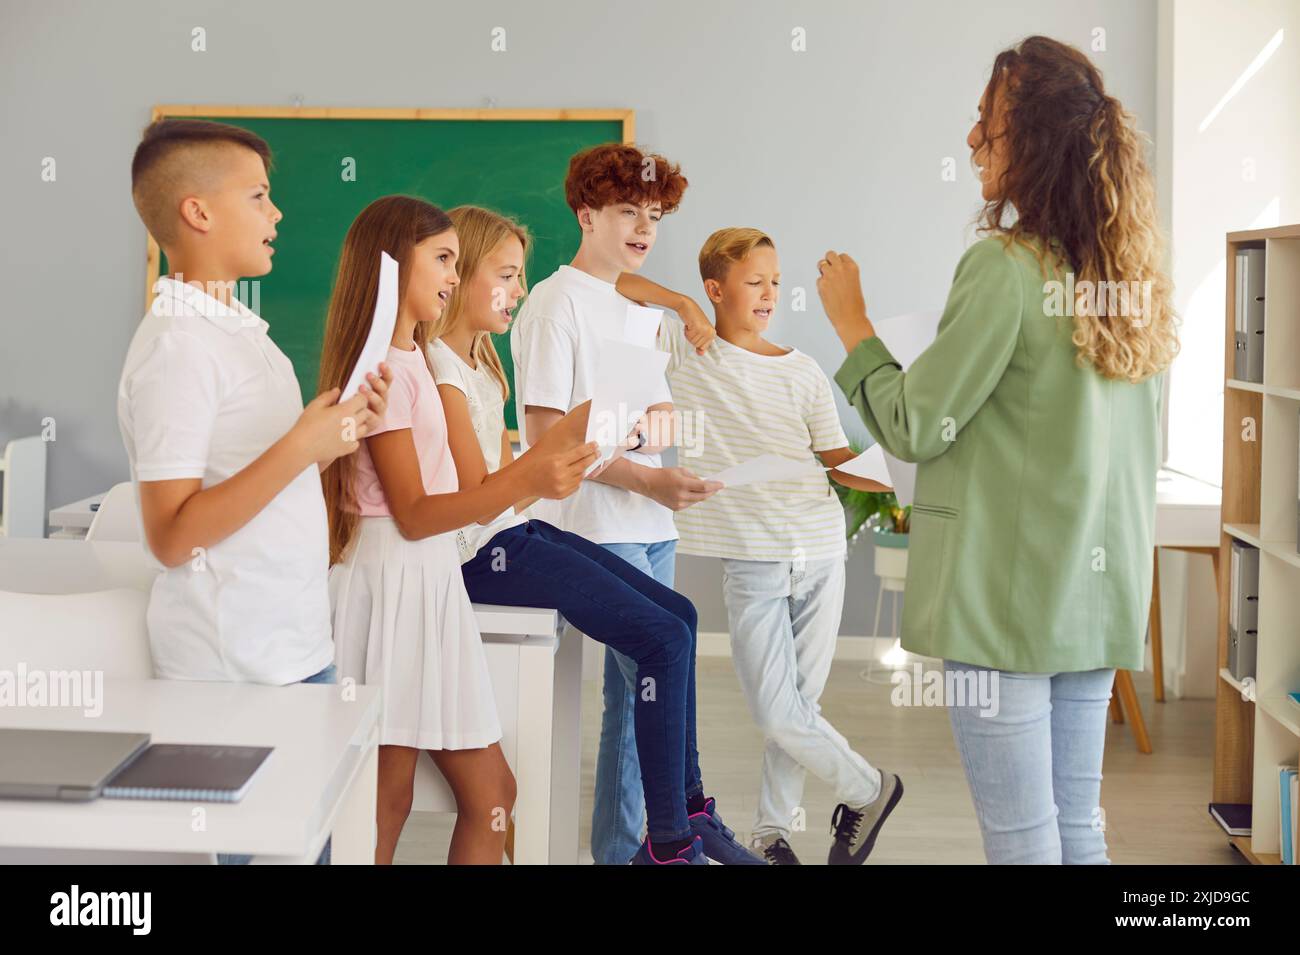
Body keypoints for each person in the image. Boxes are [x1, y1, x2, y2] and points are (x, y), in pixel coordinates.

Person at [815, 35, 1177, 864]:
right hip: (1094, 604)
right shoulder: (1133, 283)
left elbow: (913, 424)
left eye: (990, 124)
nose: (972, 139)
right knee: (1078, 827)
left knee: (1022, 840)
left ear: (1036, 141)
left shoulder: (1004, 269)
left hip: (1003, 610)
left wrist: (853, 325)